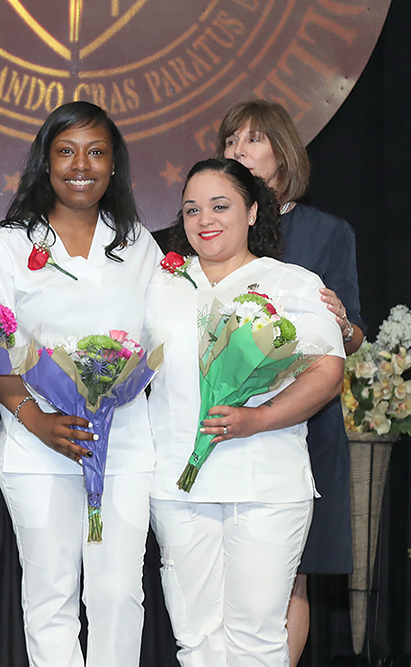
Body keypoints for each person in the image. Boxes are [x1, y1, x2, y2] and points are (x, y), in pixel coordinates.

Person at [0, 101, 160, 667]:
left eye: (96, 152)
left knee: (118, 594)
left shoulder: (140, 246)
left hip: (124, 444)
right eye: (66, 151)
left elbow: (160, 341)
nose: (81, 165)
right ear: (45, 161)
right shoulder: (6, 247)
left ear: (114, 165)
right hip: (36, 446)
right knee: (51, 595)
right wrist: (37, 420)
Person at [145, 158, 345, 666]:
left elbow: (326, 372)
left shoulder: (293, 283)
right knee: (195, 638)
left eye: (220, 206)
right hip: (177, 485)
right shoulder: (162, 284)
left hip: (265, 484)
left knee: (255, 637)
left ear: (254, 211)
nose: (204, 220)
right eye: (192, 209)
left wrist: (259, 418)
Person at [217, 98, 363, 666]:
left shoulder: (329, 232)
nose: (238, 151)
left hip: (304, 421)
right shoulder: (212, 226)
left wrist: (344, 323)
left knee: (289, 572)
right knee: (224, 569)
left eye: (251, 139)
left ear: (282, 150)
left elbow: (351, 338)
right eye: (230, 142)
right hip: (223, 421)